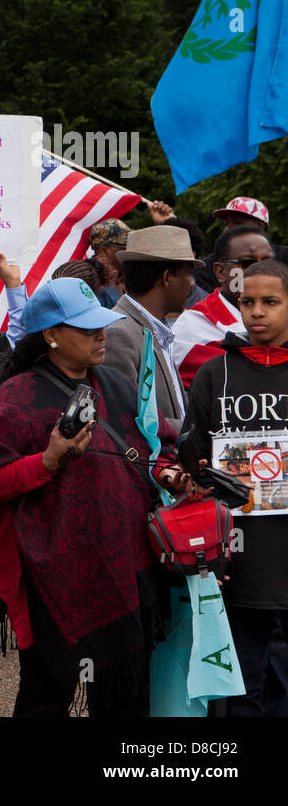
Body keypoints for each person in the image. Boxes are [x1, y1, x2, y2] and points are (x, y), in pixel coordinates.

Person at [0, 278, 195, 716]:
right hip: (56, 575)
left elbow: (151, 445)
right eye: (86, 328)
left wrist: (167, 473)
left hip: (127, 562)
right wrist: (48, 460)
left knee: (126, 692)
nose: (101, 335)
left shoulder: (116, 383)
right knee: (47, 694)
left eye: (100, 324)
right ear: (51, 335)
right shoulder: (14, 400)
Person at [183, 259, 288, 716]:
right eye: (247, 302)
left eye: (271, 302)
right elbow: (191, 453)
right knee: (242, 681)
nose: (257, 312)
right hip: (239, 552)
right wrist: (197, 472)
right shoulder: (215, 373)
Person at [102, 226, 198, 432]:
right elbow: (125, 422)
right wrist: (195, 430)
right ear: (167, 277)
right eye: (188, 274)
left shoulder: (155, 328)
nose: (191, 284)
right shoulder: (119, 334)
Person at [173, 224, 273, 387]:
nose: (263, 271)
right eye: (247, 263)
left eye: (269, 262)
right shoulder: (193, 325)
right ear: (221, 272)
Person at [194, 197, 288, 293]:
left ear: (260, 225)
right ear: (220, 271)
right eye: (226, 223)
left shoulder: (285, 255)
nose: (228, 229)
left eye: (237, 222)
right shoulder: (208, 265)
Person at [88, 219, 129, 307]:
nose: (129, 250)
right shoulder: (89, 281)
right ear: (103, 251)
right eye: (124, 246)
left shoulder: (128, 275)